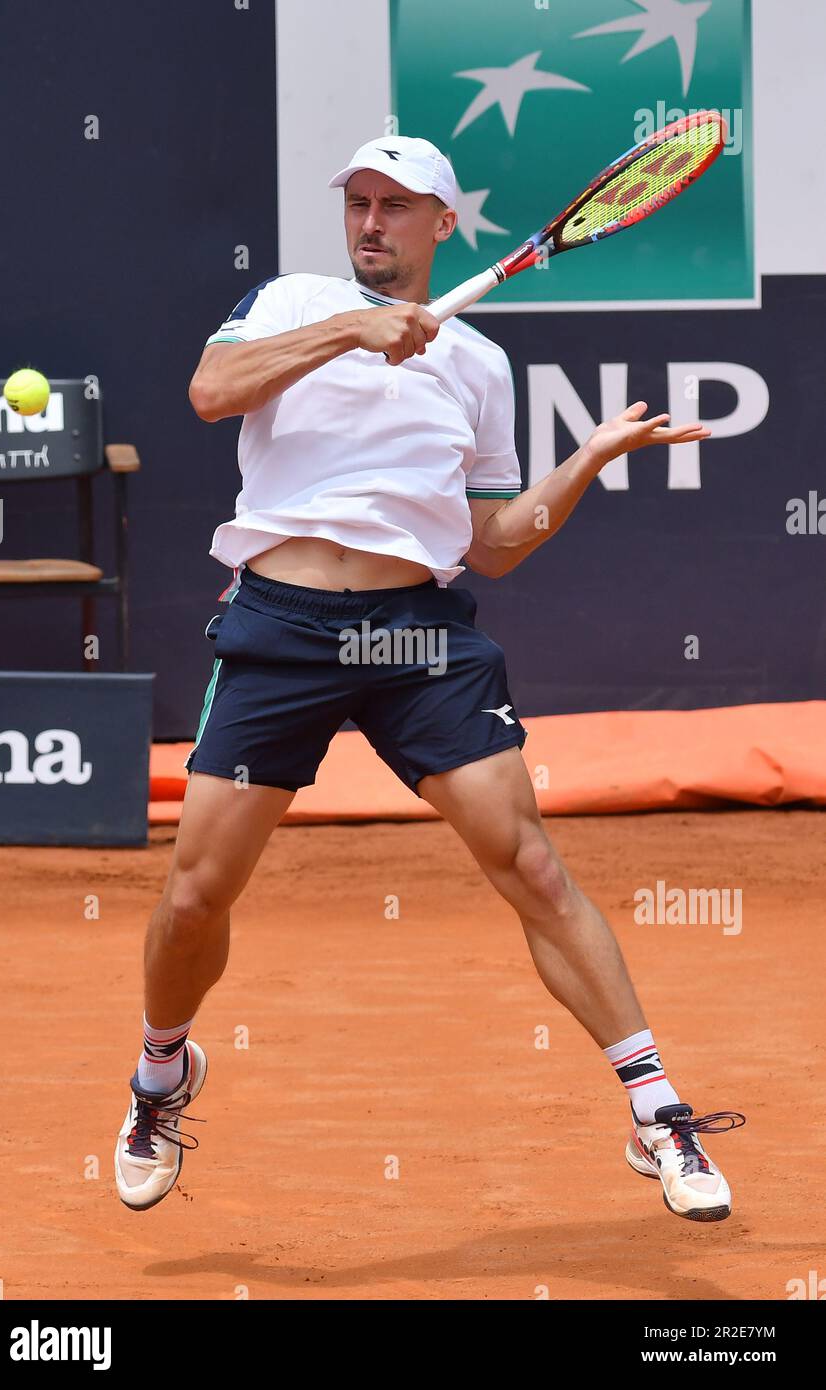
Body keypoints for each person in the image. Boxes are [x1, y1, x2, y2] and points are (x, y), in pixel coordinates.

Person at [115, 135, 744, 1220]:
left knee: (531, 863)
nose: (371, 223)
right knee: (194, 896)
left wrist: (587, 459)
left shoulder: (479, 365)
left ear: (443, 224)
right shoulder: (290, 301)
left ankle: (657, 1113)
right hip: (279, 625)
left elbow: (493, 543)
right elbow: (212, 391)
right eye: (358, 202)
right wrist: (350, 330)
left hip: (415, 636)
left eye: (396, 206)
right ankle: (160, 1075)